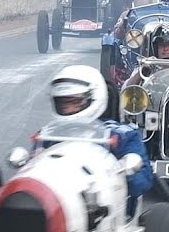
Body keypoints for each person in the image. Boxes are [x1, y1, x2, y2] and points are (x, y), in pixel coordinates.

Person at [35, 65, 154, 218]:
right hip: (55, 208)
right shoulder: (46, 136)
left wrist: (122, 171)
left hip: (108, 214)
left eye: (75, 102)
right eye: (64, 104)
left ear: (94, 98)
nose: (69, 109)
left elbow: (142, 183)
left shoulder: (124, 135)